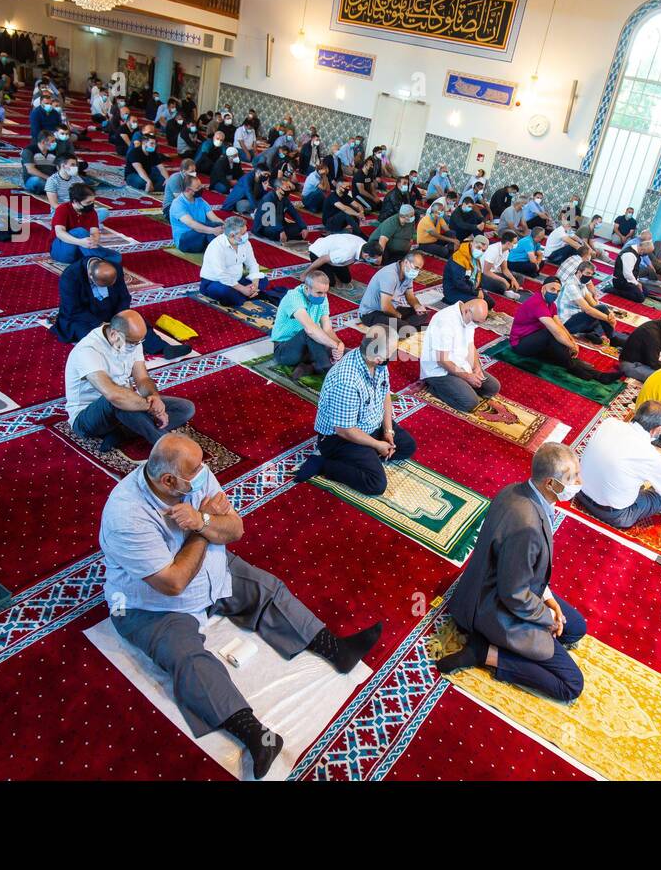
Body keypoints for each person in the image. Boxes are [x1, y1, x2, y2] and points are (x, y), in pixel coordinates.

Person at [100, 433, 383, 780]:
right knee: (188, 659)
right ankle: (255, 735)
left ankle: (336, 649)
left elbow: (234, 528)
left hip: (205, 567)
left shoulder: (195, 474)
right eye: (194, 474)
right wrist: (204, 527)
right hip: (152, 606)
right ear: (168, 481)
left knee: (267, 589)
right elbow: (172, 583)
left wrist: (202, 521)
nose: (204, 475)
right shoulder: (126, 514)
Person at [435, 443, 587, 700]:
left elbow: (520, 571)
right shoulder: (527, 525)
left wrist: (549, 602)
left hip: (499, 585)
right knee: (571, 685)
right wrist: (546, 616)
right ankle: (487, 653)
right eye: (572, 478)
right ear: (551, 483)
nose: (579, 482)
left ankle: (502, 645)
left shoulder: (516, 491)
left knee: (575, 628)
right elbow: (513, 594)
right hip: (492, 608)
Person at [294, 325, 417, 494]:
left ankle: (368, 454)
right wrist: (377, 445)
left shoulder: (377, 362)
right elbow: (345, 430)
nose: (393, 356)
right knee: (375, 483)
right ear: (379, 358)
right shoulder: (347, 380)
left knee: (407, 447)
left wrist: (388, 431)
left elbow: (385, 393)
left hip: (369, 424)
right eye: (391, 353)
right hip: (341, 438)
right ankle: (325, 463)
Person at [64, 310, 194, 451]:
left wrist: (154, 397)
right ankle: (166, 446)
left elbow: (142, 378)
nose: (137, 346)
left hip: (123, 406)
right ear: (114, 334)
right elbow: (113, 395)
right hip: (87, 418)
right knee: (120, 400)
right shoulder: (88, 350)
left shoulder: (131, 339)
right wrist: (151, 408)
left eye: (139, 342)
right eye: (133, 343)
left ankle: (121, 433)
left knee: (185, 409)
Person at [576, 401, 661, 528]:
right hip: (615, 515)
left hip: (579, 492)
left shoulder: (609, 423)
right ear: (657, 429)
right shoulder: (650, 455)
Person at [54, 258, 185, 359]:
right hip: (83, 317)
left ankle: (163, 348)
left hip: (109, 310)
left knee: (135, 322)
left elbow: (123, 297)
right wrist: (103, 324)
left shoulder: (114, 268)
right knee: (95, 336)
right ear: (90, 275)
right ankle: (118, 356)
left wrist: (121, 316)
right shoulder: (70, 277)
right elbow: (73, 310)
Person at [508, 276, 621, 383]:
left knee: (560, 353)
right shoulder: (537, 303)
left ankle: (600, 376)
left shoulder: (551, 304)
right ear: (543, 289)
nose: (555, 293)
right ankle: (572, 367)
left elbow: (560, 325)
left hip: (537, 339)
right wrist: (571, 346)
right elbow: (554, 330)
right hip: (520, 344)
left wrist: (572, 341)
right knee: (553, 335)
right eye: (552, 289)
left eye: (557, 291)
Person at [421, 299, 501, 413]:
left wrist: (476, 368)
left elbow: (470, 345)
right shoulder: (445, 321)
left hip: (460, 365)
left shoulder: (468, 317)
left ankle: (461, 385)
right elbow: (442, 361)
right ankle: (433, 387)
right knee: (469, 403)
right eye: (476, 322)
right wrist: (467, 377)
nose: (477, 325)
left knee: (493, 388)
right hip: (440, 370)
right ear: (467, 311)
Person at [270, 269, 345, 380]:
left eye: (325, 292)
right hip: (285, 351)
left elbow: (328, 329)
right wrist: (333, 345)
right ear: (306, 288)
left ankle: (309, 367)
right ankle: (329, 370)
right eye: (319, 293)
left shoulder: (322, 297)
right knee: (311, 332)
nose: (323, 296)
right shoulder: (294, 297)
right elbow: (310, 329)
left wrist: (339, 344)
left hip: (308, 347)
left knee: (346, 352)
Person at [198, 216, 273, 306]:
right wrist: (243, 289)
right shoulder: (216, 246)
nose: (247, 235)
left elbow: (252, 264)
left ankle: (244, 295)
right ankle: (245, 295)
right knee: (225, 291)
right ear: (232, 235)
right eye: (244, 233)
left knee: (263, 280)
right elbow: (221, 275)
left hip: (237, 280)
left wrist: (255, 284)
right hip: (215, 282)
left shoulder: (244, 243)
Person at [50, 182, 122, 264]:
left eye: (92, 201)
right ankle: (97, 261)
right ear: (75, 201)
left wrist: (94, 240)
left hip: (81, 249)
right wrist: (80, 242)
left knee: (116, 255)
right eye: (88, 202)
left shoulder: (91, 211)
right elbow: (60, 233)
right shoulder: (62, 209)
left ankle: (93, 260)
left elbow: (94, 232)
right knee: (80, 231)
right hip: (62, 250)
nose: (91, 205)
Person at [359, 251, 429, 330]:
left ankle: (406, 328)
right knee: (403, 326)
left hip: (392, 309)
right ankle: (406, 328)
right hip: (372, 313)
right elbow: (385, 307)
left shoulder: (407, 274)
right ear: (406, 262)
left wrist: (417, 306)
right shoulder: (390, 275)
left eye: (419, 269)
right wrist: (399, 316)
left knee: (423, 314)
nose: (417, 271)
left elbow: (410, 296)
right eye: (416, 268)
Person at [556, 255, 616, 345]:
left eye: (592, 274)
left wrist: (609, 313)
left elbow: (594, 304)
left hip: (576, 316)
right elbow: (588, 310)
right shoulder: (571, 285)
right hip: (566, 323)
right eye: (588, 273)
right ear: (579, 272)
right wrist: (608, 319)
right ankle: (613, 339)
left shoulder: (581, 283)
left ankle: (593, 334)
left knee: (601, 310)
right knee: (599, 312)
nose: (590, 276)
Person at [620, 312, 661, 382]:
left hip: (643, 361)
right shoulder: (653, 335)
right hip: (631, 365)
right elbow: (653, 363)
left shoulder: (660, 326)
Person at [167, 174, 223, 252]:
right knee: (212, 229)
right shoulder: (177, 204)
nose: (201, 189)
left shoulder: (200, 200)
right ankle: (221, 252)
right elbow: (192, 224)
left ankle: (221, 251)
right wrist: (213, 230)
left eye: (200, 186)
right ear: (187, 190)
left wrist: (226, 227)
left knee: (218, 226)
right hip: (184, 240)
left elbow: (214, 218)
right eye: (198, 188)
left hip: (201, 233)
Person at [306, 233, 383, 287]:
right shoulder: (347, 253)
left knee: (346, 279)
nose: (375, 260)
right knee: (330, 282)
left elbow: (351, 261)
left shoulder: (365, 246)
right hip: (318, 253)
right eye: (374, 258)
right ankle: (315, 270)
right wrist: (306, 274)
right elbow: (323, 258)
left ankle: (330, 266)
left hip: (333, 253)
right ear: (366, 255)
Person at [442, 236, 496, 310]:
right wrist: (476, 293)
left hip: (470, 289)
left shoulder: (475, 257)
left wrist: (479, 289)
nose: (480, 252)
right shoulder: (459, 258)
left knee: (490, 303)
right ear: (471, 244)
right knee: (480, 305)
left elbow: (478, 276)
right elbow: (459, 283)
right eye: (478, 247)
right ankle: (449, 300)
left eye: (483, 250)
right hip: (454, 291)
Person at [254, 178, 308, 244]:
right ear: (278, 188)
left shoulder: (285, 199)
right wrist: (281, 230)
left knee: (299, 227)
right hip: (266, 226)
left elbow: (294, 213)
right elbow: (271, 219)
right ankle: (284, 235)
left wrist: (303, 227)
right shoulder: (268, 198)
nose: (289, 189)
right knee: (275, 232)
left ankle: (284, 235)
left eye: (289, 187)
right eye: (286, 187)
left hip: (280, 224)